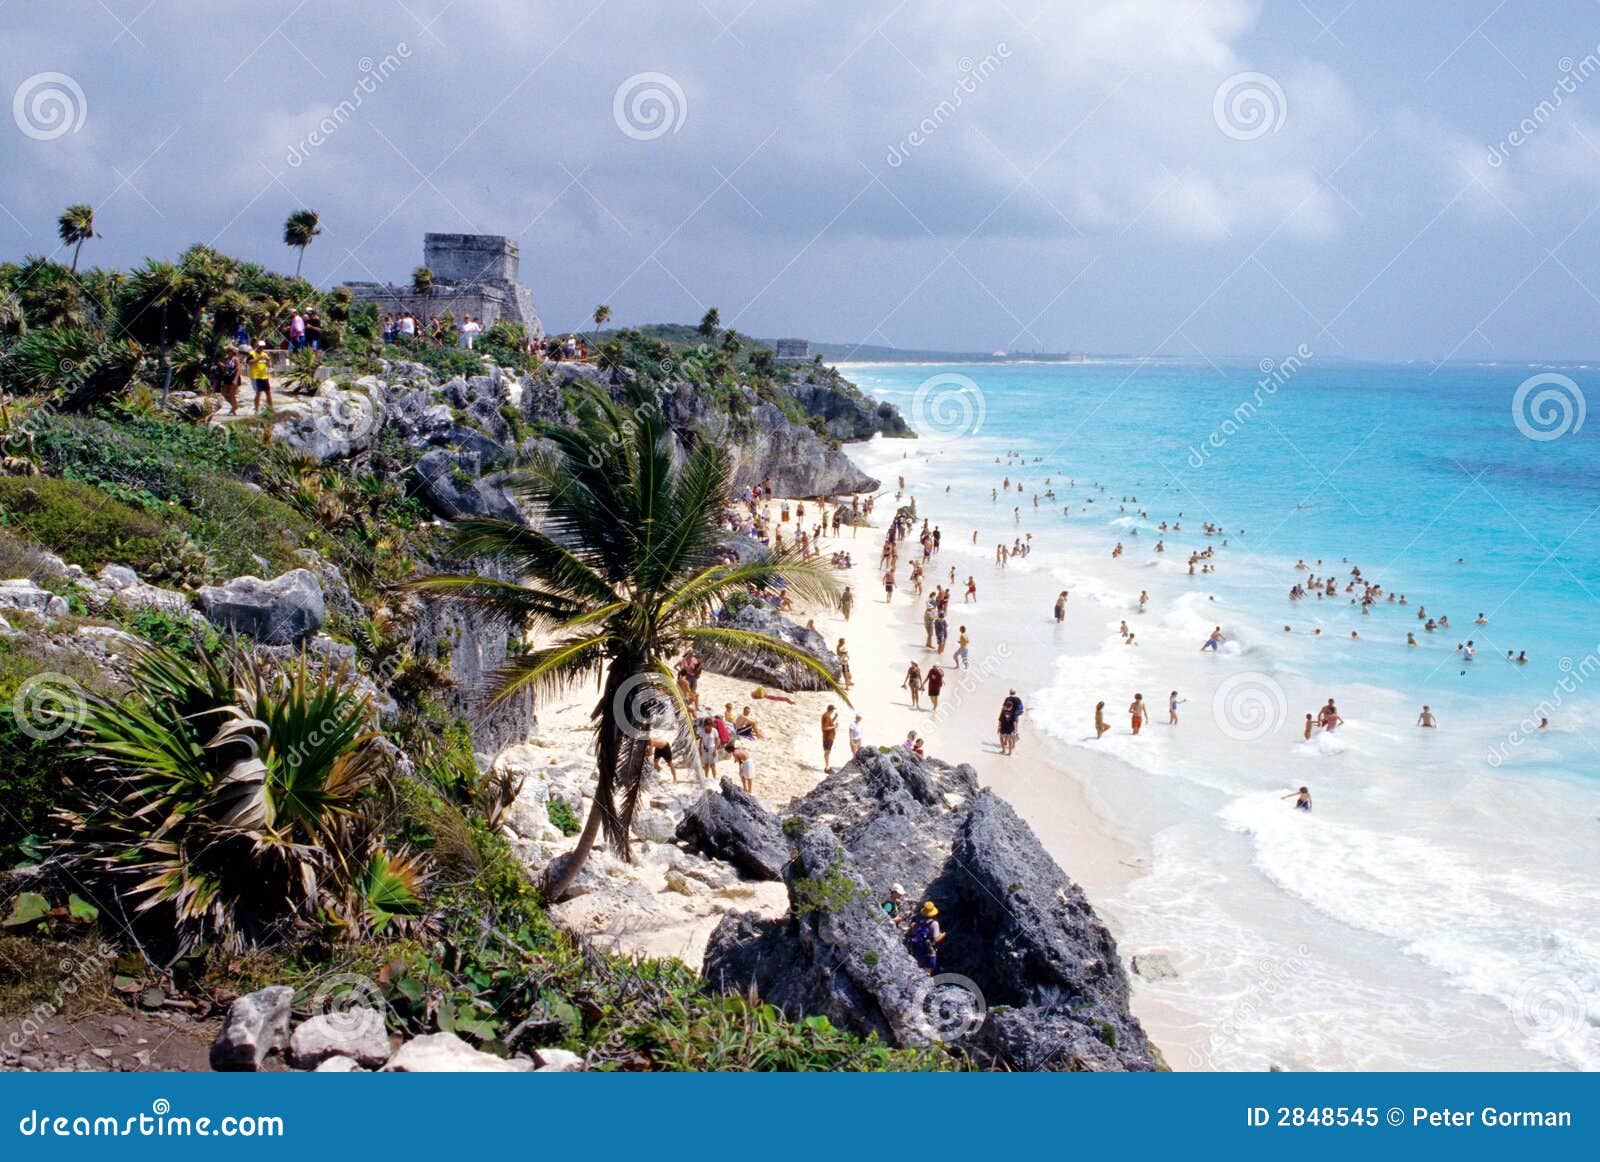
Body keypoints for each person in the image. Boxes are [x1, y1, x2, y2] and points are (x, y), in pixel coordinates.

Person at [907, 901, 945, 971]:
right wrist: (943, 935)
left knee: (919, 969)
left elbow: (914, 932)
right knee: (928, 971)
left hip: (919, 950)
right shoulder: (934, 923)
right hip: (929, 951)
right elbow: (936, 939)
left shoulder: (919, 921)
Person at [211, 345, 242, 415]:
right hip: (227, 378)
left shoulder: (235, 359)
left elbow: (238, 368)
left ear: (232, 352)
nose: (228, 353)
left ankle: (234, 408)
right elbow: (227, 369)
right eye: (227, 351)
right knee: (224, 393)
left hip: (233, 377)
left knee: (231, 394)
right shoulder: (227, 359)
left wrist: (235, 379)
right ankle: (234, 406)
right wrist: (223, 366)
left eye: (229, 351)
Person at [246, 342, 273, 412]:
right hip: (256, 377)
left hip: (264, 376)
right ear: (257, 346)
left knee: (268, 392)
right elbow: (249, 362)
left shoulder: (265, 354)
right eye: (260, 347)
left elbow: (268, 365)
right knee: (258, 393)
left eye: (263, 347)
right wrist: (258, 358)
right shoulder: (252, 354)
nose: (261, 348)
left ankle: (270, 409)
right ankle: (256, 410)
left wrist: (268, 361)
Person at [821, 705, 839, 773]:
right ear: (830, 710)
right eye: (832, 710)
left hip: (829, 737)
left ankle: (827, 766)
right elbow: (825, 728)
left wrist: (835, 717)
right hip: (827, 738)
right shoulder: (826, 716)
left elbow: (829, 723)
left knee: (828, 752)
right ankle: (827, 768)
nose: (833, 711)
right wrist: (834, 726)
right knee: (827, 752)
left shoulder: (827, 715)